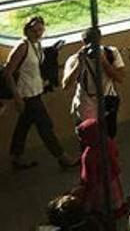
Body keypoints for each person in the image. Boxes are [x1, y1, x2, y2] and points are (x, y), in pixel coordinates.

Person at [4, 15, 79, 171]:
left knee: (23, 126)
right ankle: (62, 157)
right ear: (27, 30)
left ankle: (16, 157)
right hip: (27, 95)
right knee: (45, 126)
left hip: (35, 92)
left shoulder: (36, 45)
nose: (39, 33)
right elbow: (8, 72)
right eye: (36, 30)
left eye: (41, 29)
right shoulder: (22, 46)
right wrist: (17, 98)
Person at [62, 27, 125, 138]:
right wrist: (79, 64)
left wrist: (104, 61)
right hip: (85, 106)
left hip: (106, 103)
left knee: (109, 138)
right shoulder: (74, 59)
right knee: (87, 139)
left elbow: (120, 78)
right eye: (88, 41)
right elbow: (66, 85)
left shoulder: (110, 53)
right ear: (83, 42)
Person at [77, 117, 126, 218]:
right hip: (113, 177)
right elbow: (116, 153)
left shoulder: (88, 155)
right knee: (115, 196)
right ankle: (118, 210)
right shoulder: (108, 143)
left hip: (99, 183)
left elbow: (87, 175)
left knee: (101, 202)